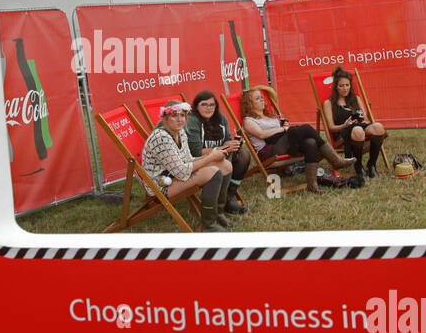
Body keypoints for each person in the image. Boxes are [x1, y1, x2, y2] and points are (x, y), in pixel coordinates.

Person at [140, 100, 234, 230]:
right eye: (174, 115)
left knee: (225, 165)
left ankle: (219, 213)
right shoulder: (161, 138)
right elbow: (182, 172)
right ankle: (209, 225)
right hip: (161, 186)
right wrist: (209, 159)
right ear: (165, 118)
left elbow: (188, 159)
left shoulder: (180, 132)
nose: (180, 120)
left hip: (175, 175)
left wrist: (212, 154)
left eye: (183, 115)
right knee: (212, 171)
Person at [239, 87, 352, 194]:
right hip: (268, 151)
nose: (262, 100)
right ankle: (335, 160)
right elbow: (261, 134)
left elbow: (282, 132)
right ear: (249, 104)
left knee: (310, 143)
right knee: (305, 128)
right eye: (257, 98)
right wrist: (283, 129)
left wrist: (283, 127)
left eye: (262, 97)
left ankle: (312, 185)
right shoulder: (248, 120)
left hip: (281, 144)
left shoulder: (271, 117)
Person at [186, 90, 251, 216]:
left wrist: (232, 144)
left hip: (220, 156)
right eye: (204, 104)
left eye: (212, 105)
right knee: (226, 160)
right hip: (200, 160)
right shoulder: (192, 121)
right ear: (196, 106)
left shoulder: (220, 118)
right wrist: (222, 148)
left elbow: (227, 139)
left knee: (243, 155)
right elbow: (196, 152)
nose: (208, 108)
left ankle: (229, 196)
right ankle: (221, 202)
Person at [322, 68, 388, 179]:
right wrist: (345, 125)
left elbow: (366, 120)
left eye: (347, 85)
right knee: (358, 130)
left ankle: (372, 164)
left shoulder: (356, 99)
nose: (345, 88)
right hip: (343, 131)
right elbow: (331, 128)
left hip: (359, 126)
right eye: (341, 86)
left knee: (378, 127)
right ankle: (358, 166)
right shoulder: (328, 103)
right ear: (335, 87)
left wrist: (361, 120)